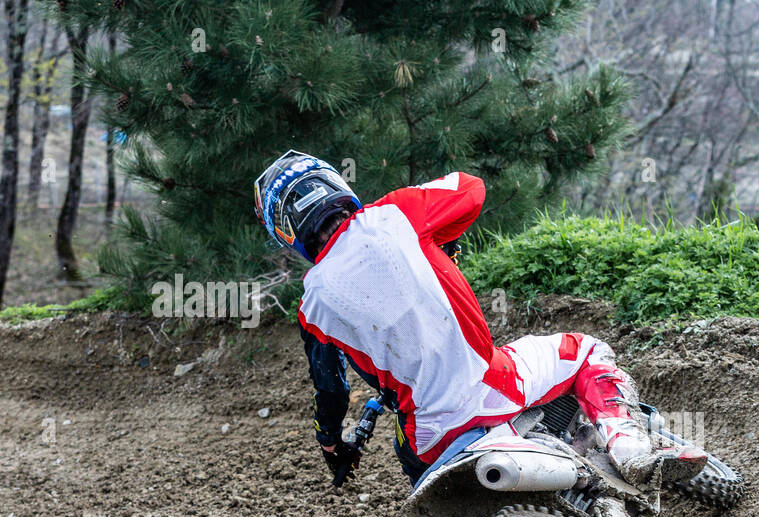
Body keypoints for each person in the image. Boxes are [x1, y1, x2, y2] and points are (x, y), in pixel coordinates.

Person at [252, 150, 705, 488]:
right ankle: (626, 440)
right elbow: (471, 188)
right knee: (585, 350)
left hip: (428, 436)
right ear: (335, 186)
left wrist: (331, 445)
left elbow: (330, 389)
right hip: (492, 385)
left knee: (407, 458)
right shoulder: (395, 214)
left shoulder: (311, 304)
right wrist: (437, 236)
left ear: (286, 231)